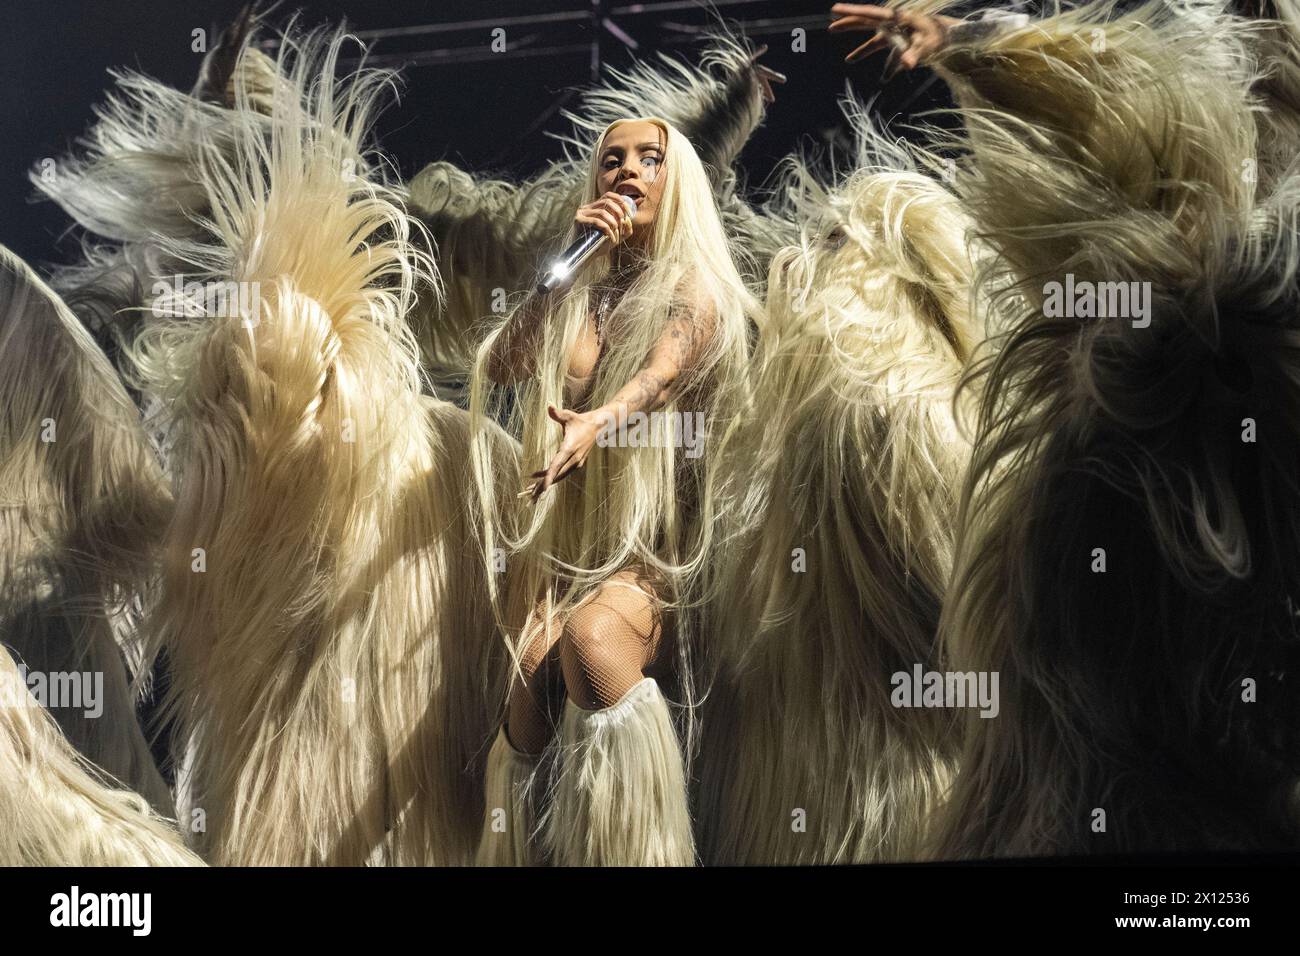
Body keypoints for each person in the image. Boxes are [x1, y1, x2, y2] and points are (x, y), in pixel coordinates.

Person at [469, 116, 757, 866]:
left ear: (679, 180)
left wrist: (601, 418)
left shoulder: (697, 286)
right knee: (525, 693)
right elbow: (501, 364)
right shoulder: (578, 296)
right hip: (580, 560)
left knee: (592, 644)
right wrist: (564, 261)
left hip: (666, 562)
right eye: (610, 162)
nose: (626, 172)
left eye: (649, 160)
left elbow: (662, 373)